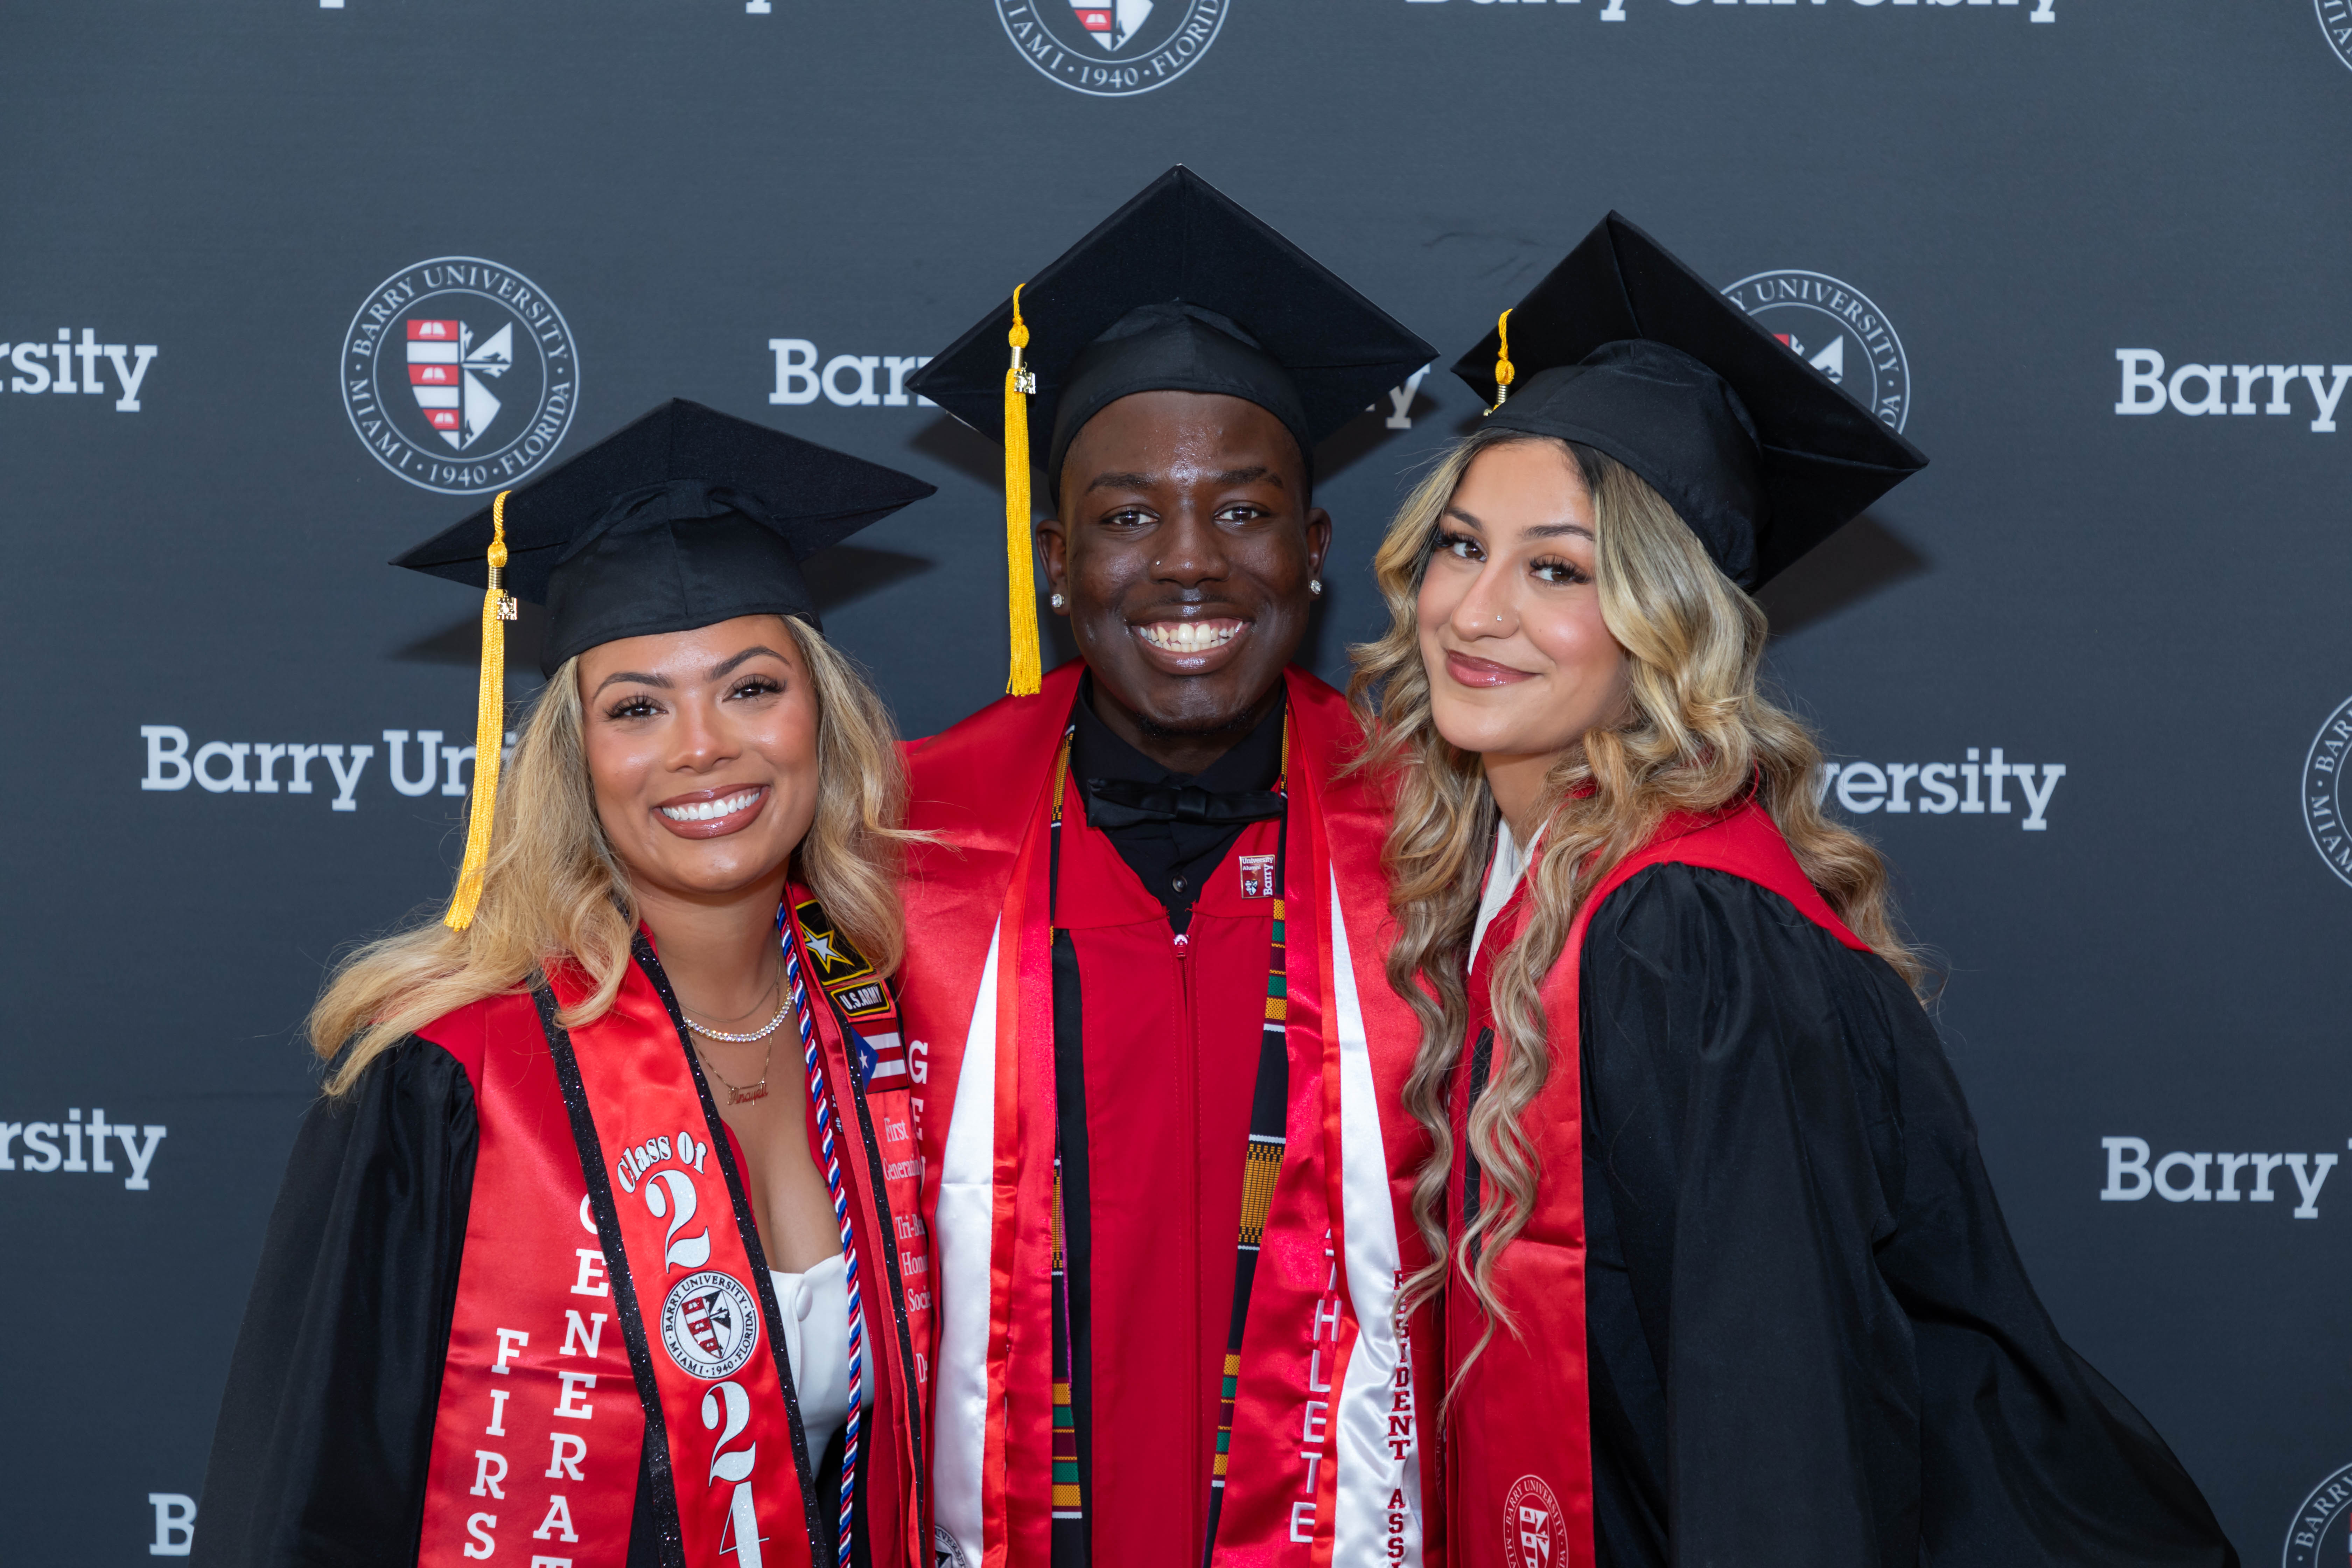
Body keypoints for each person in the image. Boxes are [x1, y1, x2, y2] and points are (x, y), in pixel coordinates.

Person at [1350, 213, 2239, 1568]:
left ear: (1666, 622)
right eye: (1461, 546)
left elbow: (1777, 1416)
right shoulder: (1531, 875)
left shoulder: (1680, 933)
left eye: (1559, 572)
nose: (1473, 612)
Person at [194, 401, 942, 1568]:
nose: (703, 746)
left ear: (823, 718)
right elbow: (304, 1507)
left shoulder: (892, 1035)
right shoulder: (449, 1078)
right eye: (636, 707)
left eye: (751, 688)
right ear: (576, 758)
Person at [895, 167, 1443, 1568]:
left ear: (1315, 553)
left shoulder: (1444, 844)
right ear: (1058, 561)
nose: (1191, 564)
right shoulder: (897, 846)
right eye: (1131, 519)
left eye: (1246, 513)